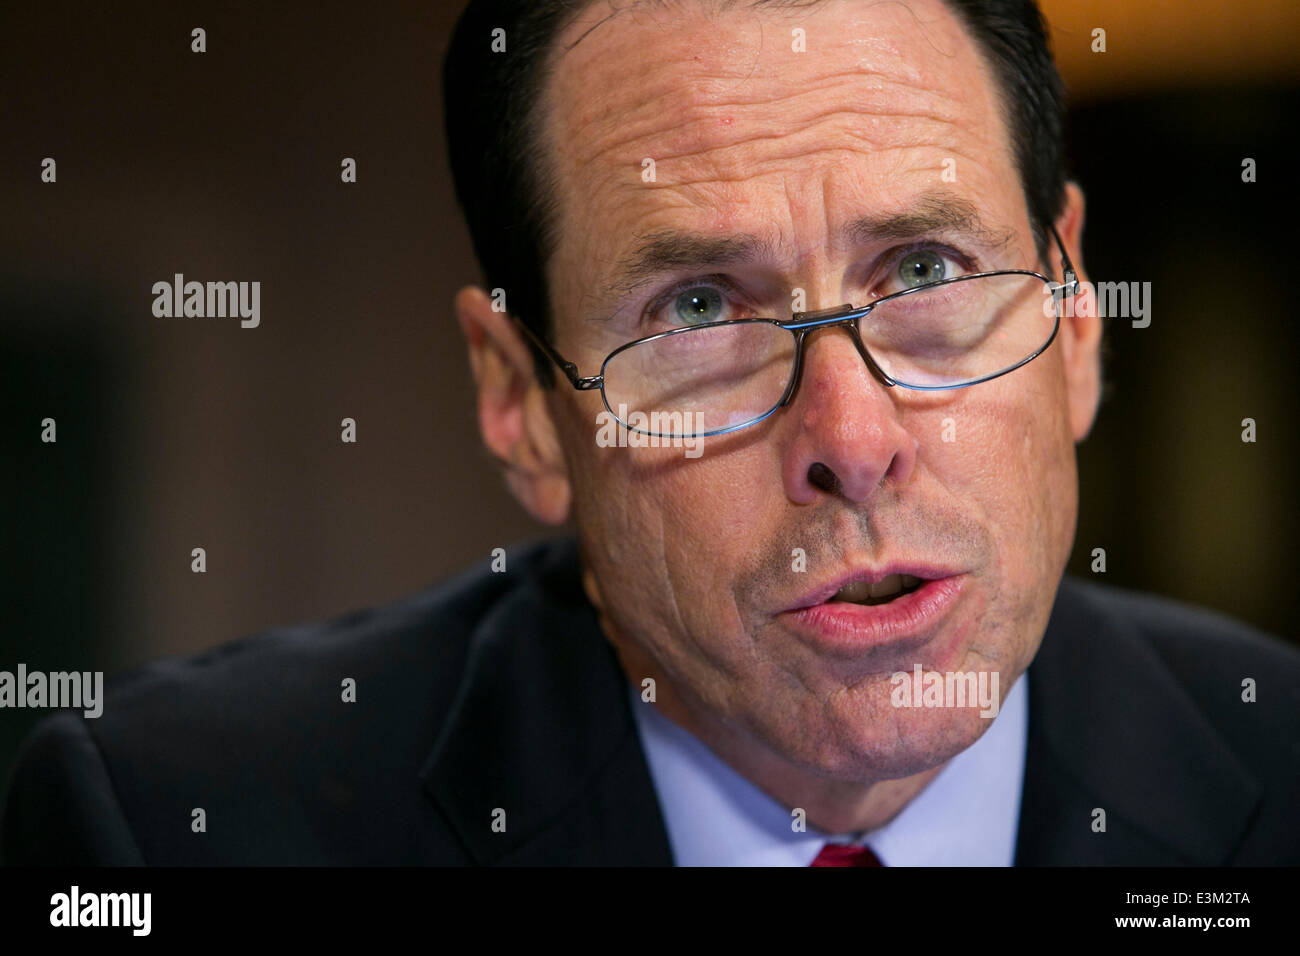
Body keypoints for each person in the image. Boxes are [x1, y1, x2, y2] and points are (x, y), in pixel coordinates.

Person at [3, 0, 1296, 866]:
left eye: (922, 275)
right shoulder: (175, 831)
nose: (851, 437)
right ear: (521, 405)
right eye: (697, 309)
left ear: (1073, 317)